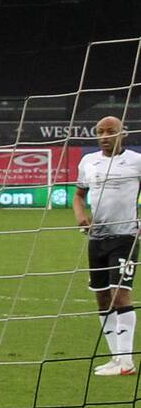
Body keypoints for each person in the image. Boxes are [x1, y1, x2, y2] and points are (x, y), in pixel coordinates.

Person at [72, 115, 141, 375]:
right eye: (99, 131)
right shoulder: (88, 162)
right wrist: (80, 216)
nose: (104, 136)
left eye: (110, 131)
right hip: (97, 239)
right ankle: (115, 358)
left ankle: (127, 361)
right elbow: (79, 196)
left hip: (126, 237)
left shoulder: (136, 161)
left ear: (122, 133)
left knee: (120, 293)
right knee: (101, 297)